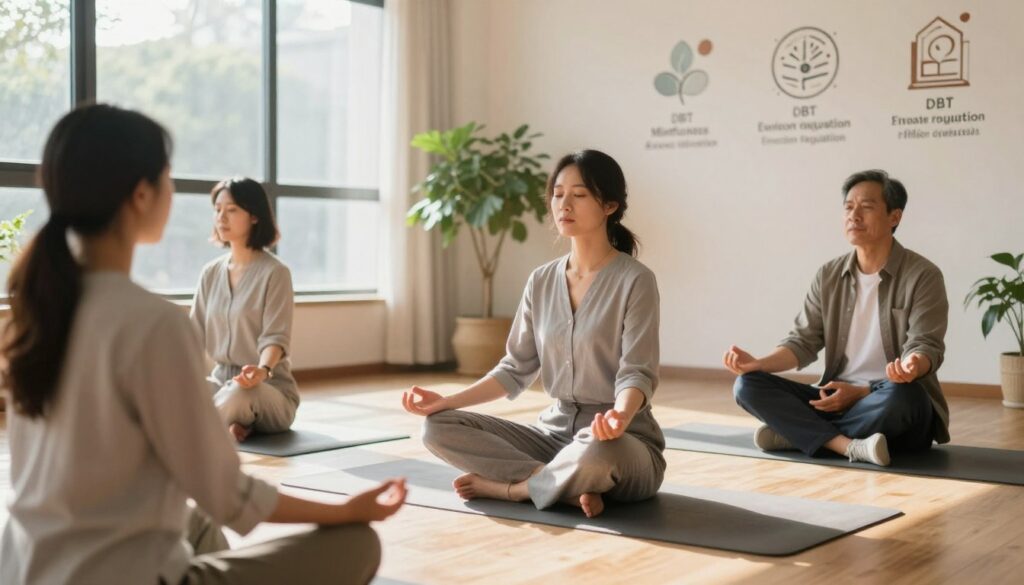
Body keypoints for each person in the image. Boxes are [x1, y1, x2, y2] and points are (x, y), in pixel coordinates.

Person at [0, 104, 405, 585]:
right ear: (142, 194)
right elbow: (227, 492)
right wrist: (346, 510)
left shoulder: (37, 309)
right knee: (357, 542)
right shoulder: (150, 322)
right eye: (170, 178)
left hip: (25, 569)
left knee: (193, 518)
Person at [403, 149, 664, 518]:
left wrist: (619, 417)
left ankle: (516, 489)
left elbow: (637, 370)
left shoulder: (636, 280)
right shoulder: (541, 280)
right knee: (437, 428)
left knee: (595, 450)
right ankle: (562, 485)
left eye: (579, 194)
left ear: (609, 206)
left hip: (620, 442)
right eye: (558, 194)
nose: (564, 204)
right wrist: (446, 401)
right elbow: (514, 369)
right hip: (552, 438)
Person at [724, 169, 949, 467]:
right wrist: (759, 364)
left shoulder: (923, 275)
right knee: (747, 385)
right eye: (848, 207)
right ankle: (849, 446)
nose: (854, 215)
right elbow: (802, 342)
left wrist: (910, 366)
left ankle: (798, 435)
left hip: (884, 398)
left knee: (907, 397)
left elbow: (925, 344)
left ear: (894, 217)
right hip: (834, 398)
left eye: (866, 207)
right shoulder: (829, 275)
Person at [191, 177, 298, 442]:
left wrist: (262, 370)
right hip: (219, 384)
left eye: (232, 210)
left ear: (254, 216)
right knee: (174, 389)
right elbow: (192, 334)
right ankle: (234, 424)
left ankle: (196, 430)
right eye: (217, 210)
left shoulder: (276, 273)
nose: (221, 217)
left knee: (240, 392)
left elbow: (276, 337)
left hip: (265, 388)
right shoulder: (210, 273)